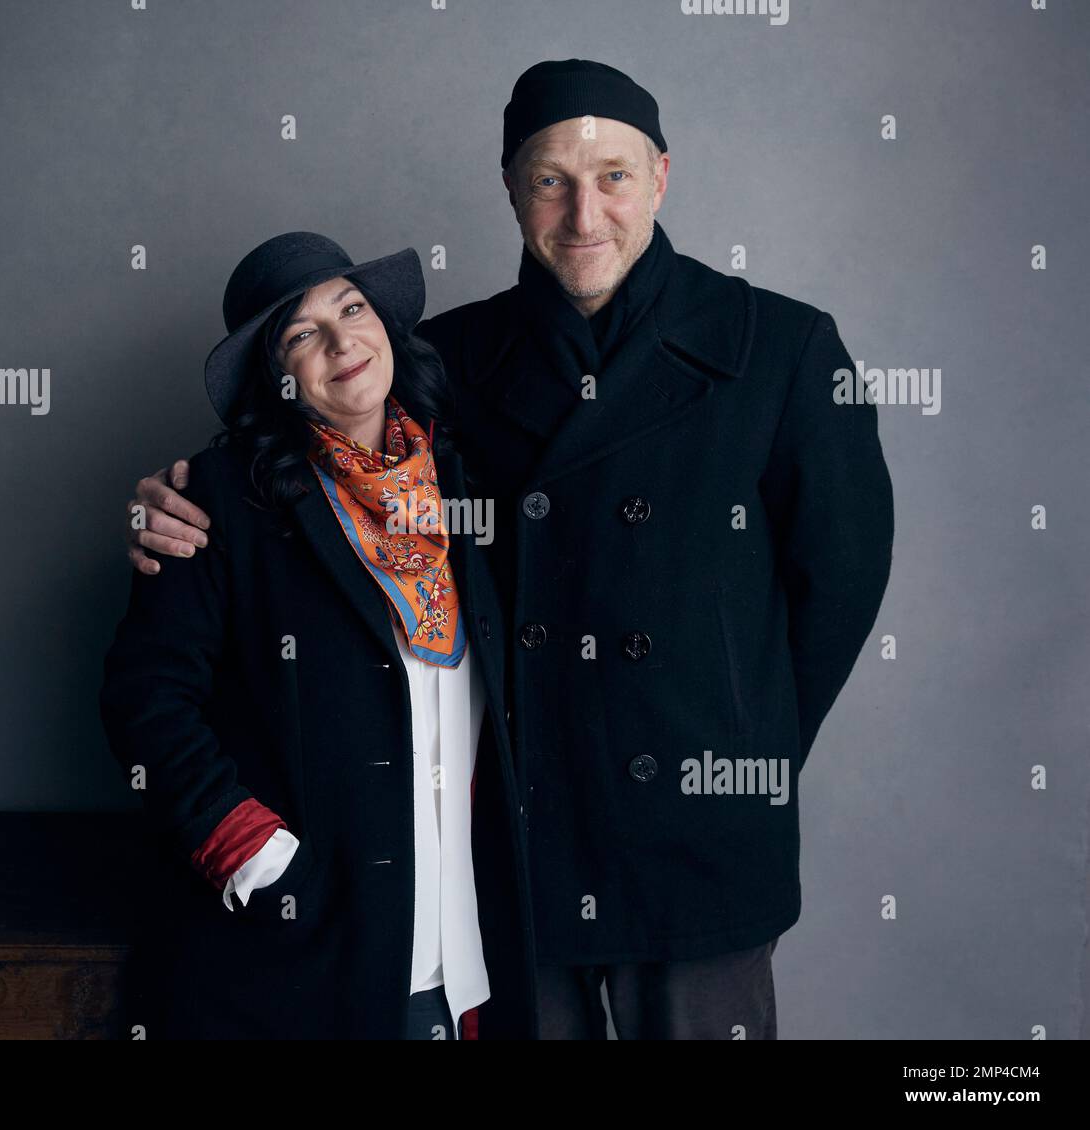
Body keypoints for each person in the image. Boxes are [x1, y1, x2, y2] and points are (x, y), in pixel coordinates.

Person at [119, 59, 895, 1040]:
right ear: (510, 190)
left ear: (661, 174)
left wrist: (742, 748)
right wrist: (171, 501)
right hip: (521, 845)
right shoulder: (445, 361)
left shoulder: (779, 346)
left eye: (611, 174)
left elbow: (840, 580)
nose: (583, 214)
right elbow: (314, 471)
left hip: (696, 839)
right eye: (549, 180)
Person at [99, 231, 536, 1039]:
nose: (343, 341)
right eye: (302, 333)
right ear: (277, 377)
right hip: (306, 947)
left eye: (353, 307)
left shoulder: (468, 482)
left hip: (464, 945)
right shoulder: (219, 501)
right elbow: (145, 697)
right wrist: (254, 856)